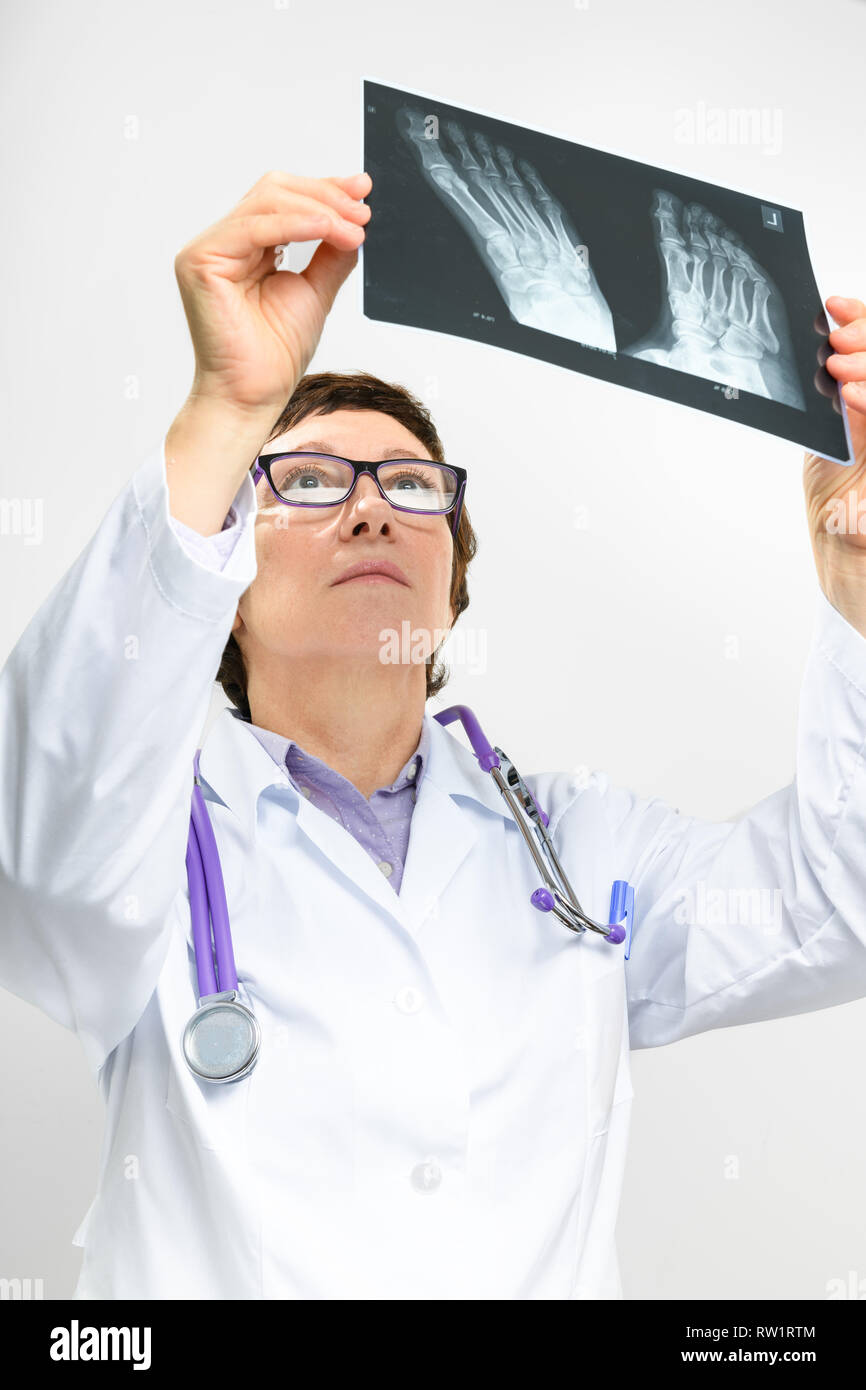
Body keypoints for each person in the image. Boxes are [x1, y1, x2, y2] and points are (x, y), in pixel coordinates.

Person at [1, 168, 866, 1301]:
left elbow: (834, 901)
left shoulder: (576, 845)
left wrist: (855, 596)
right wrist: (223, 411)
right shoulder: (141, 846)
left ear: (452, 583)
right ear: (222, 578)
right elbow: (38, 835)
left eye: (410, 486)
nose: (368, 507)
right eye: (306, 482)